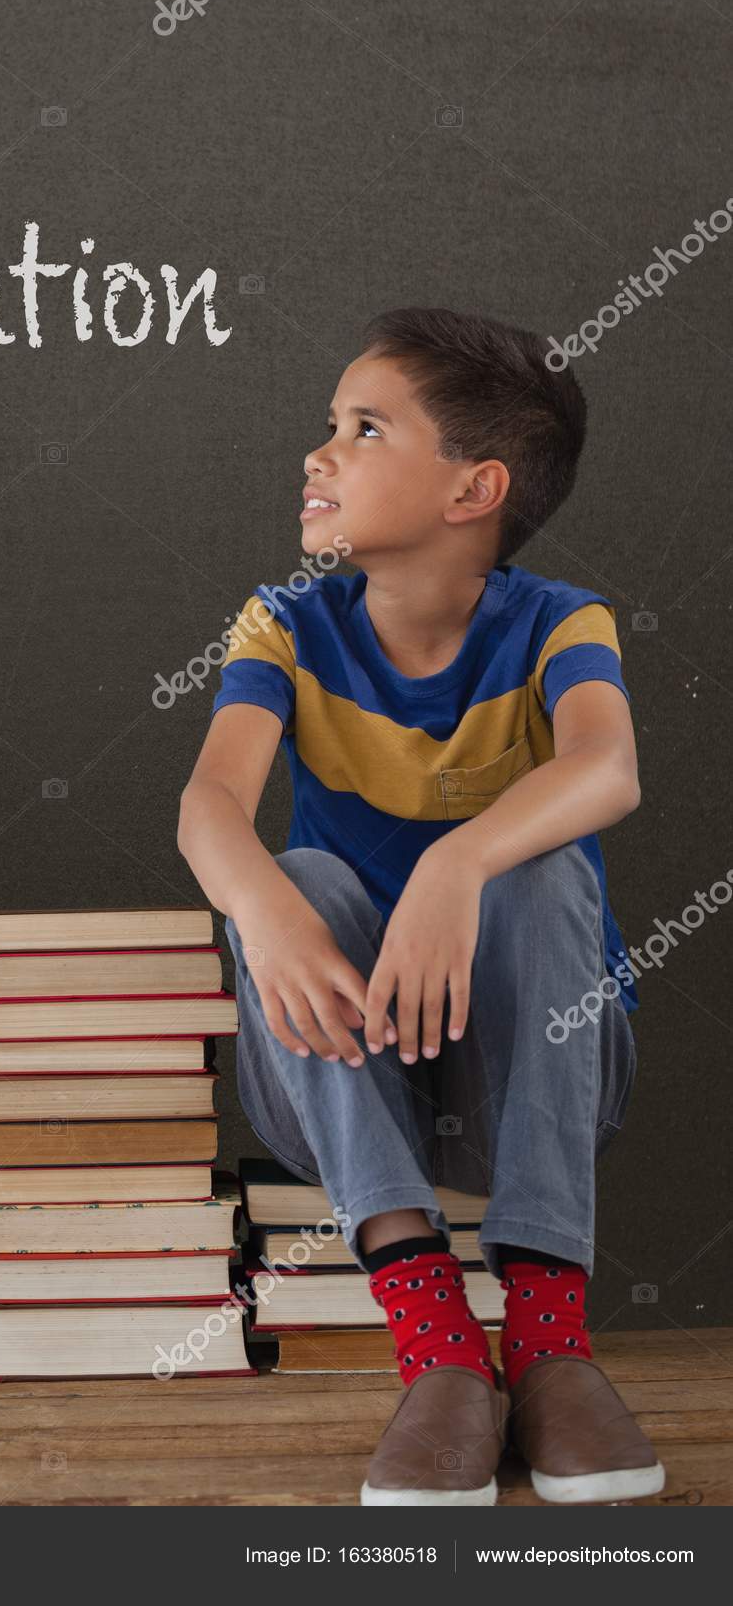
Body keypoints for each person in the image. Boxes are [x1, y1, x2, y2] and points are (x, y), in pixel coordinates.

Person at [177, 307, 663, 1506]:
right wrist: (268, 909)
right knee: (297, 877)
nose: (319, 452)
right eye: (330, 424)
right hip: (349, 1082)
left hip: (531, 1086)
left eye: (365, 428)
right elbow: (209, 806)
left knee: (543, 866)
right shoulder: (285, 624)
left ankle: (549, 1345)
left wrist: (458, 865)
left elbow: (608, 768)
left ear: (472, 488)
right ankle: (439, 1343)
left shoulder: (560, 623)